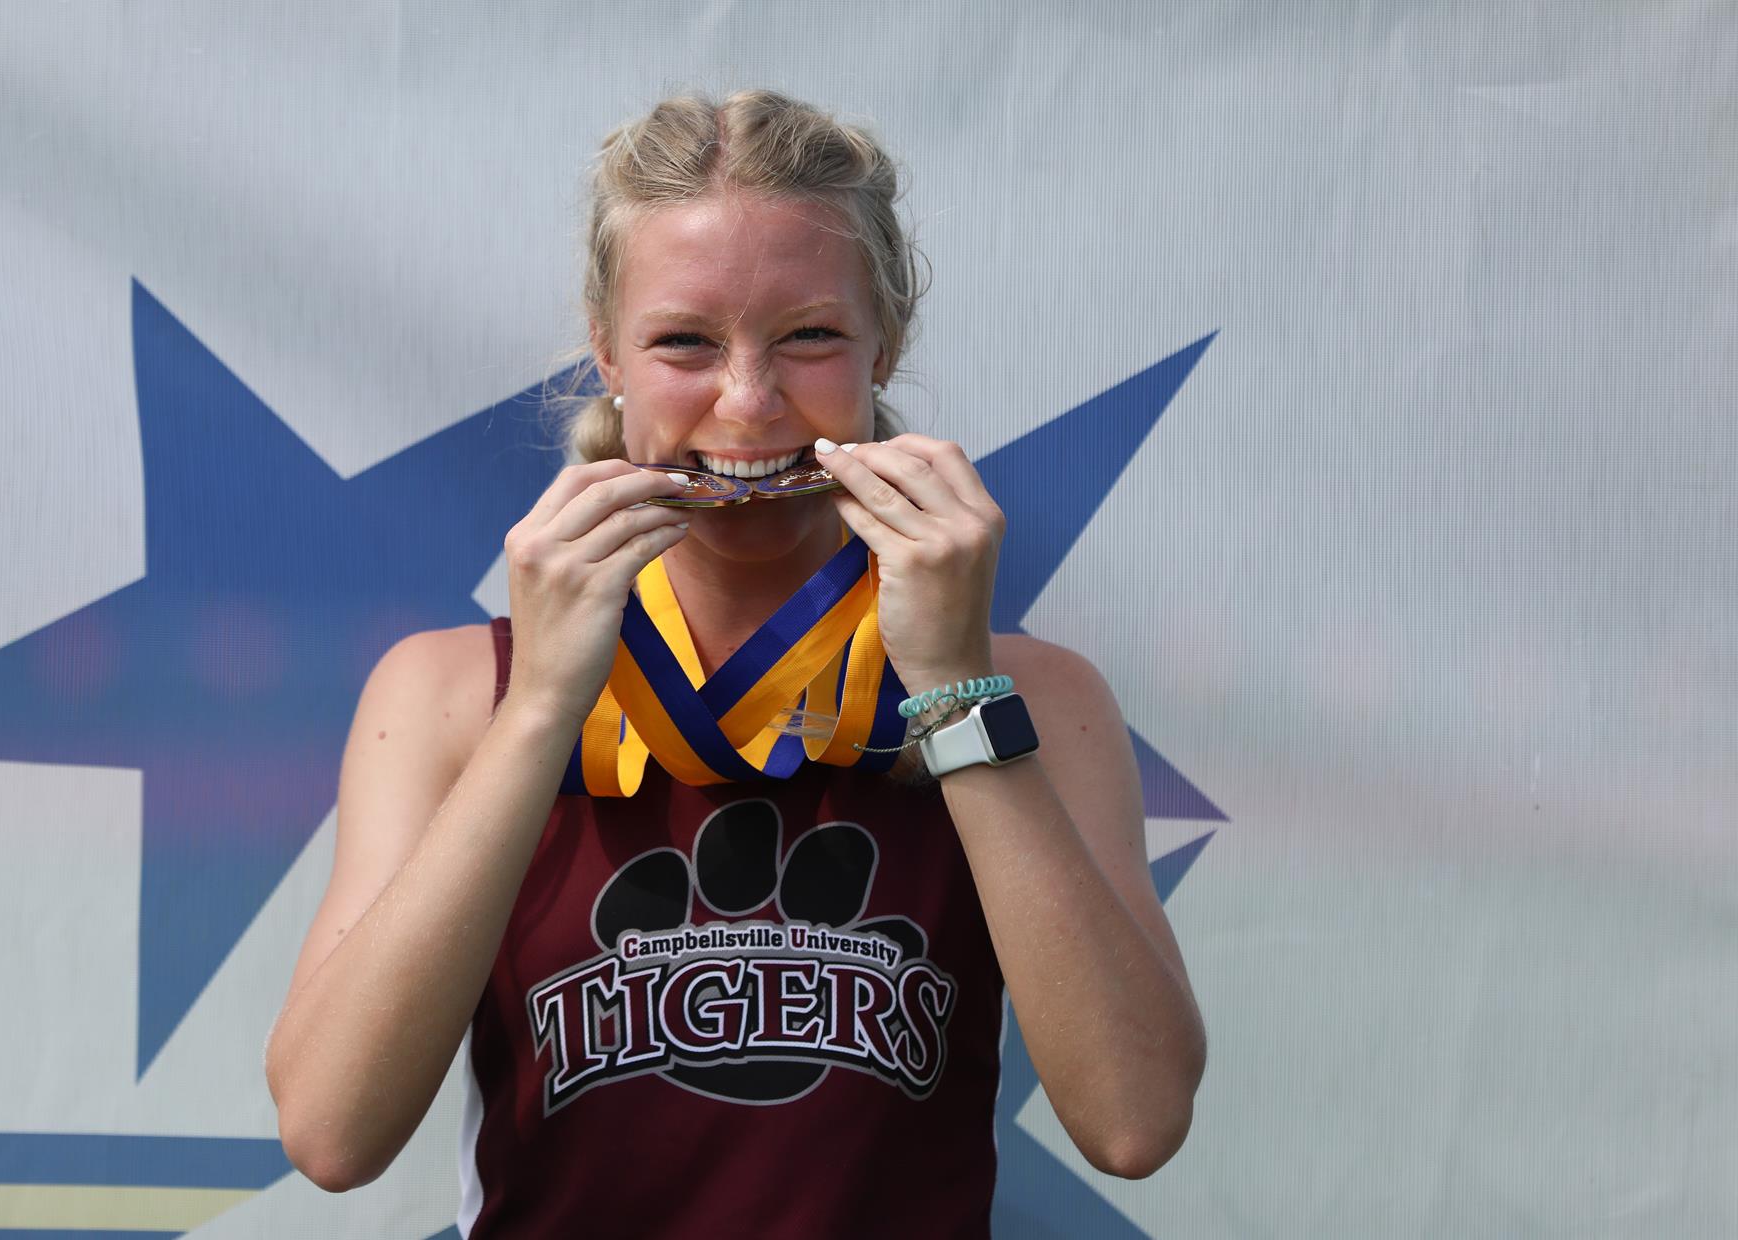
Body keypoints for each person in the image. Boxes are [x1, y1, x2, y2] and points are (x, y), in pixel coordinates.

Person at [265, 89, 1205, 1235]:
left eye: (808, 335)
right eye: (683, 341)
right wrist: (540, 713)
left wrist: (956, 689)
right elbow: (330, 1134)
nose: (748, 401)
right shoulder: (453, 691)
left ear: (884, 343)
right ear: (605, 344)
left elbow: (1134, 1120)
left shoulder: (1036, 697)